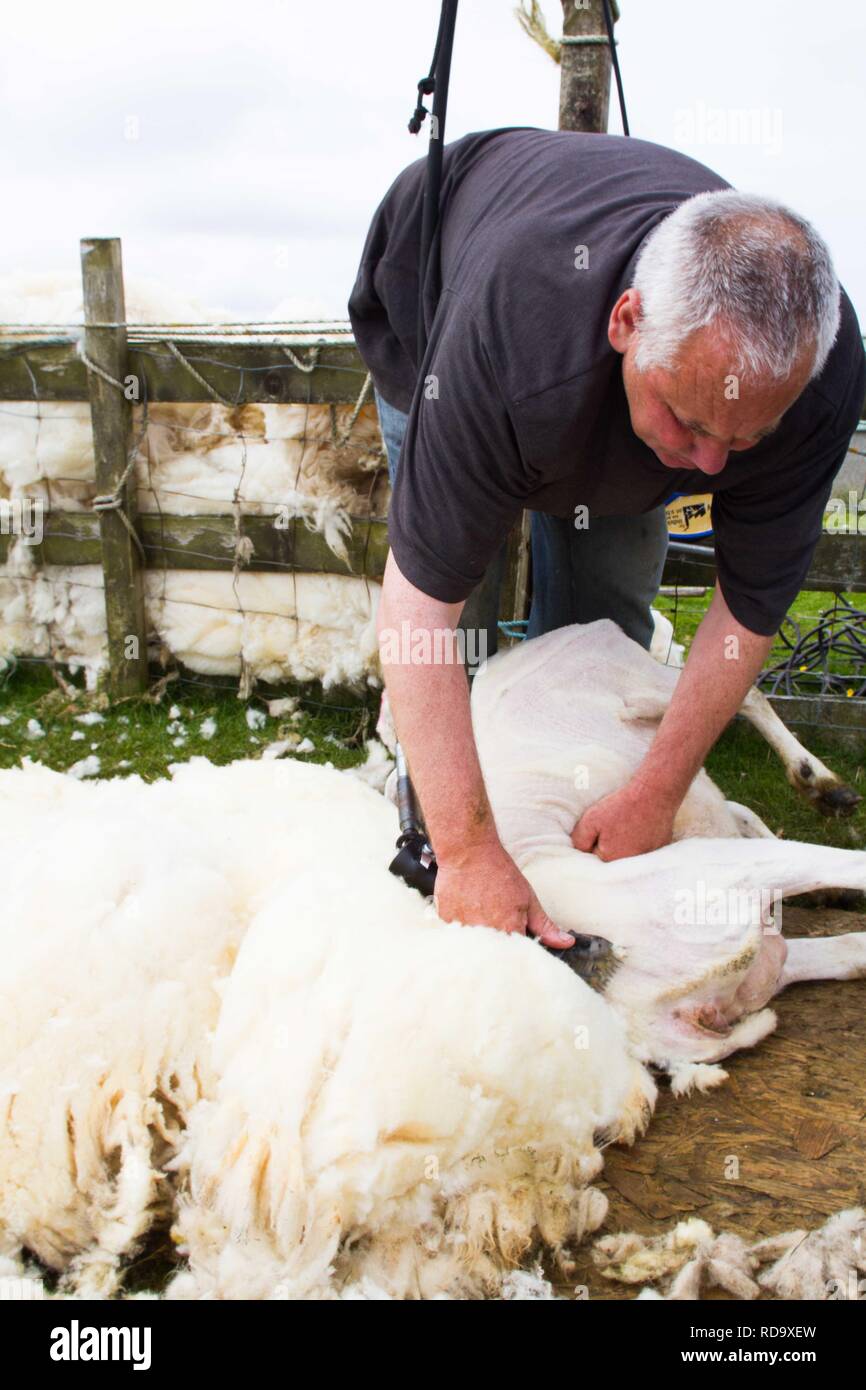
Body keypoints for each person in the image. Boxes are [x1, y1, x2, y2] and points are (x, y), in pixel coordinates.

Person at [347, 126, 866, 946]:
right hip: (434, 294)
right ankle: (438, 816)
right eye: (690, 422)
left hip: (588, 374)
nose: (707, 463)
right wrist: (471, 851)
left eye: (744, 440)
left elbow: (748, 613)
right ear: (629, 320)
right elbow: (416, 616)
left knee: (607, 605)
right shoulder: (512, 338)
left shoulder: (820, 378)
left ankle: (578, 814)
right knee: (460, 594)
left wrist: (656, 794)